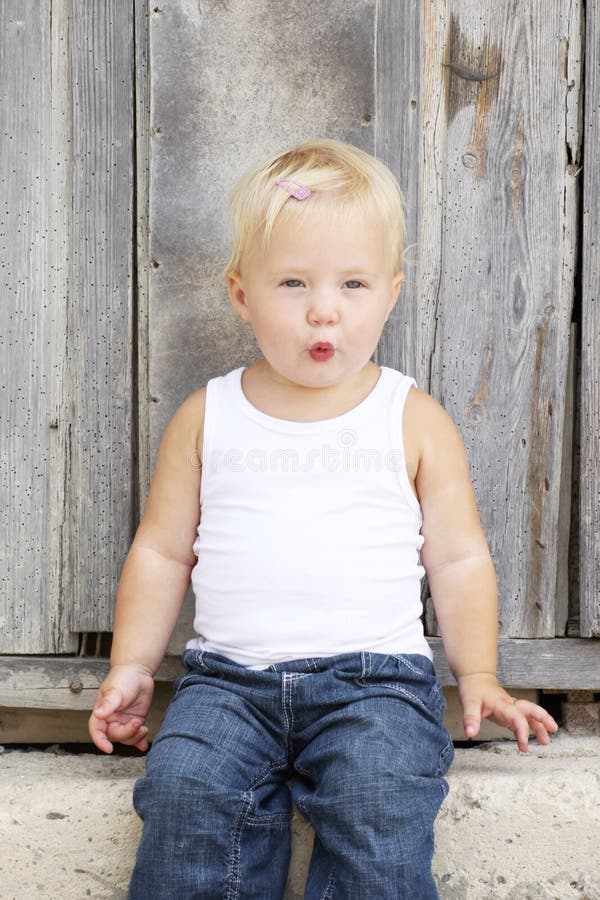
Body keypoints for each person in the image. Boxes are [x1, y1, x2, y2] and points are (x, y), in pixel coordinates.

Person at [89, 138, 558, 898]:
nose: (323, 308)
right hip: (227, 683)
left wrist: (478, 674)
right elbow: (162, 553)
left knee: (379, 800)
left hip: (375, 687)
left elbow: (459, 558)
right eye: (293, 282)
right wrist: (132, 666)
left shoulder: (411, 417)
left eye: (353, 283)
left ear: (391, 294)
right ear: (241, 293)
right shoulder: (208, 416)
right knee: (186, 791)